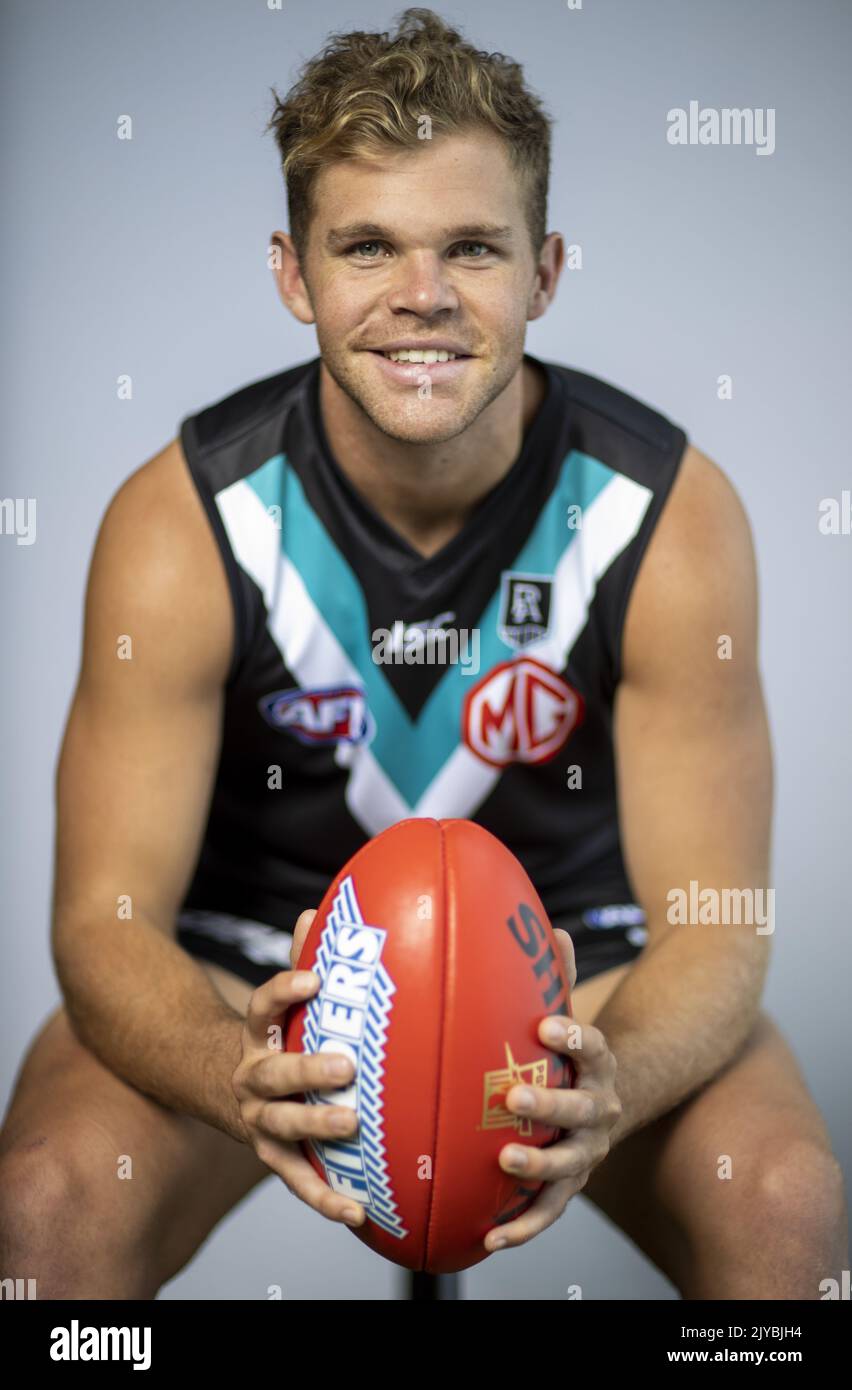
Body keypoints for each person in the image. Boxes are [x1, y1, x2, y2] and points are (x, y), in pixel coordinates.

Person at [0, 8, 846, 1299]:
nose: (423, 297)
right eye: (366, 247)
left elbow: (719, 926)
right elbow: (99, 922)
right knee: (47, 1207)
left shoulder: (664, 516)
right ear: (293, 272)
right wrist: (248, 1065)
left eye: (472, 246)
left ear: (547, 268)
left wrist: (595, 1080)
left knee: (786, 1210)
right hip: (258, 977)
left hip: (574, 973)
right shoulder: (181, 525)